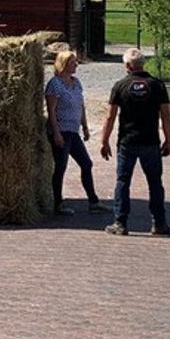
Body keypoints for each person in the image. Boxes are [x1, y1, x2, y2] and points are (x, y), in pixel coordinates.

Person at [100, 47, 170, 236]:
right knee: (155, 182)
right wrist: (168, 140)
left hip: (127, 141)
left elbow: (110, 116)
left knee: (123, 181)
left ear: (127, 66)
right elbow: (166, 115)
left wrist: (104, 141)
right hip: (150, 141)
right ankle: (159, 223)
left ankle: (120, 223)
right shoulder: (157, 85)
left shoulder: (120, 86)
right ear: (143, 64)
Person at [45, 50, 109, 216]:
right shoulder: (55, 84)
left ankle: (93, 202)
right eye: (73, 62)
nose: (76, 65)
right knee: (61, 167)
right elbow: (51, 111)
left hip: (73, 132)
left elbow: (81, 105)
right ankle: (58, 203)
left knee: (86, 163)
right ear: (64, 64)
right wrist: (56, 133)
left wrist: (85, 126)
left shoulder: (76, 82)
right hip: (61, 131)